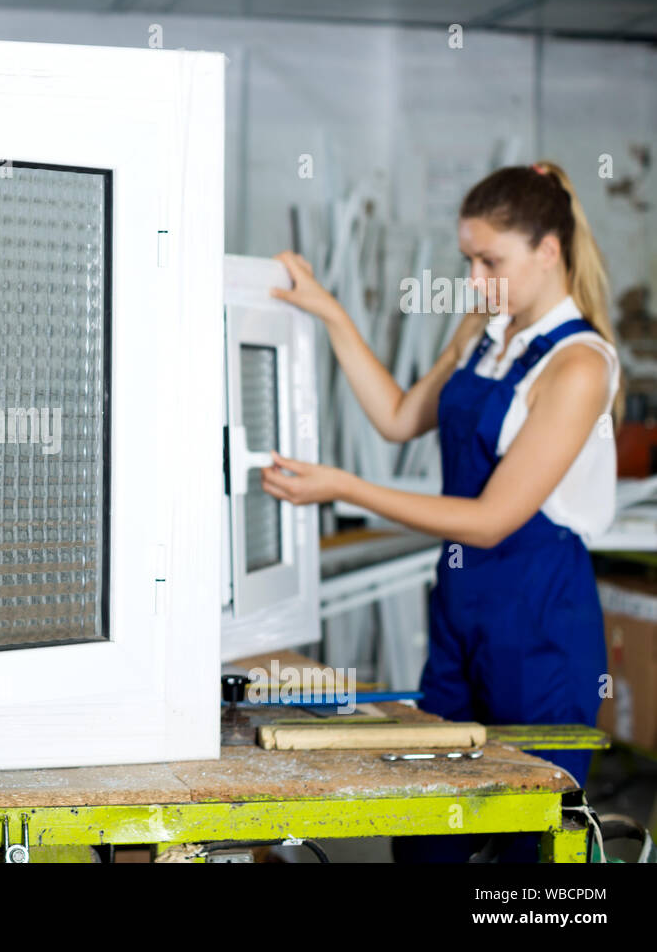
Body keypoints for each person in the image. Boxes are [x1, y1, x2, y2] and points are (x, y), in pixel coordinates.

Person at [263, 161, 622, 863]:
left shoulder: (579, 365)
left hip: (541, 625)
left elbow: (491, 520)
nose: (476, 280)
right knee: (429, 832)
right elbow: (400, 418)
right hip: (462, 613)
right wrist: (330, 310)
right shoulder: (486, 333)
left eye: (491, 260)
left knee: (528, 844)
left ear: (549, 251)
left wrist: (345, 487)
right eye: (468, 260)